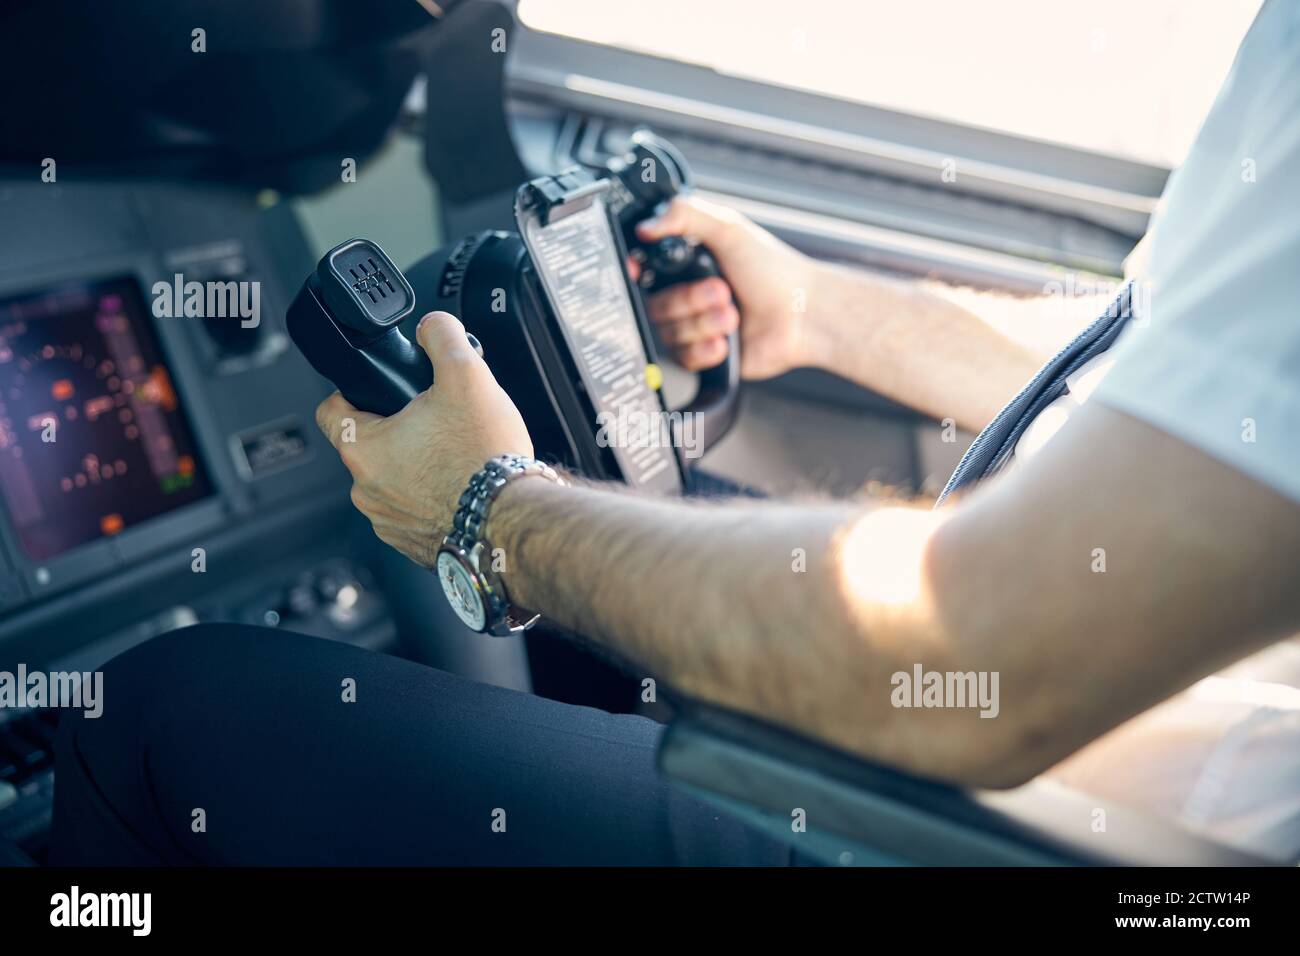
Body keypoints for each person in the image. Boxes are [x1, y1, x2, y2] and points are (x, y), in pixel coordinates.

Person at [54, 0, 1300, 864]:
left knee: (157, 710)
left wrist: (490, 511)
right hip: (1093, 723)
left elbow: (987, 662)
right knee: (620, 517)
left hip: (1056, 827)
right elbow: (1168, 371)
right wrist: (817, 310)